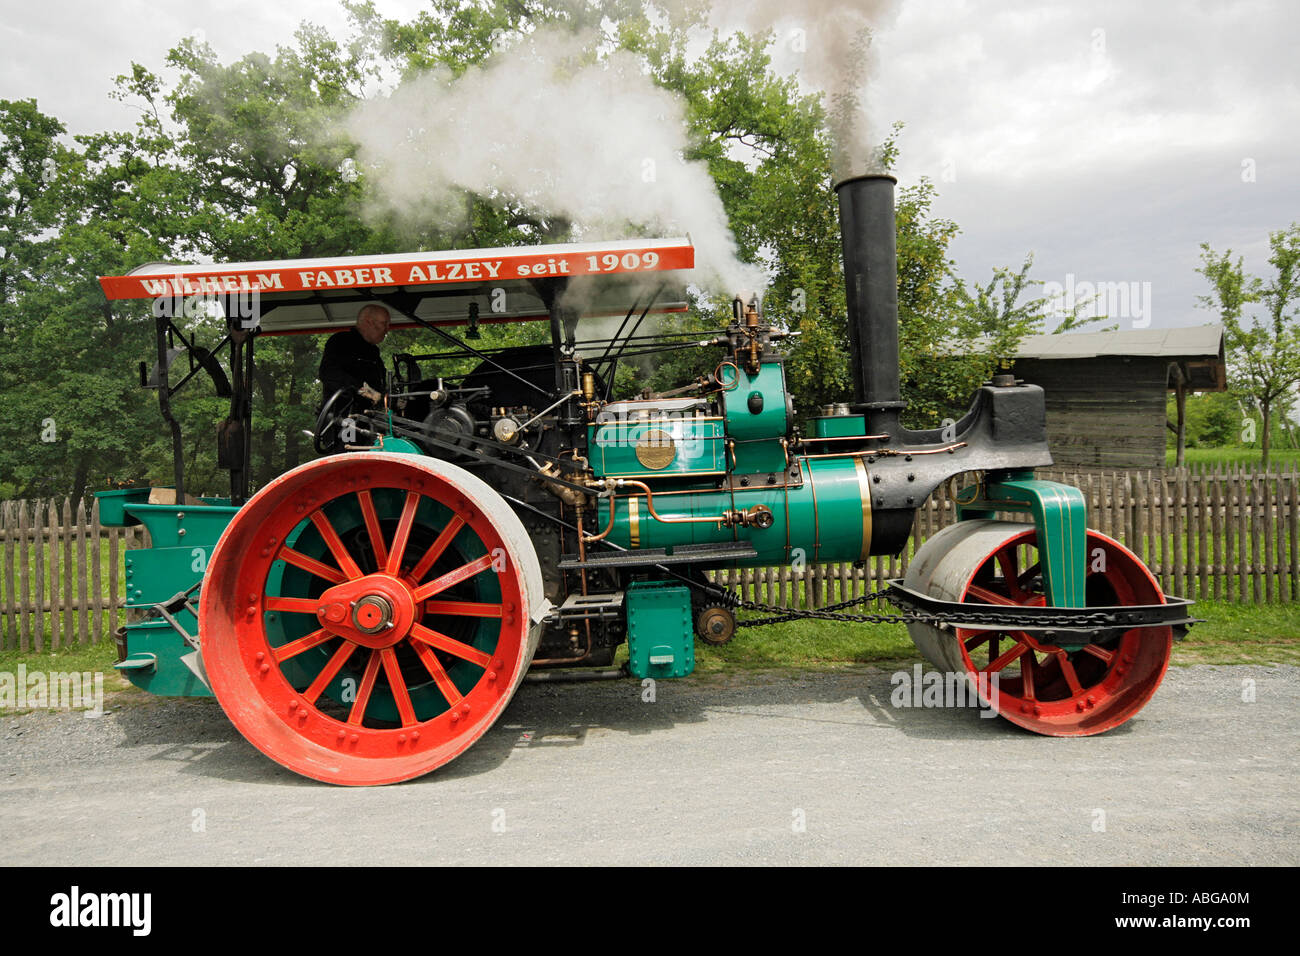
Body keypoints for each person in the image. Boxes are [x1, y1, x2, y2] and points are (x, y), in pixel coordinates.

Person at [319, 304, 390, 405]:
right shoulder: (341, 341)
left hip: (369, 416)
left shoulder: (374, 353)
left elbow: (378, 390)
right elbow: (328, 373)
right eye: (384, 323)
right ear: (368, 321)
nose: (387, 329)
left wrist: (388, 399)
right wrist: (361, 389)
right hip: (342, 415)